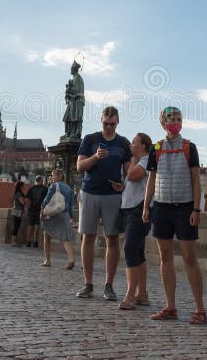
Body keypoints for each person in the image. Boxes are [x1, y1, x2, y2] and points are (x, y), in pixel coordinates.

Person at [142, 107, 205, 324]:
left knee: (189, 257)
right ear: (163, 123)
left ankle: (200, 308)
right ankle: (170, 306)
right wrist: (146, 205)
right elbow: (151, 178)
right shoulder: (156, 147)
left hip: (184, 207)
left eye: (178, 118)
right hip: (161, 206)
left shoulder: (189, 146)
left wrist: (197, 208)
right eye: (171, 119)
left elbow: (196, 179)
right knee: (165, 257)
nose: (175, 122)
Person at [75, 106, 131, 301]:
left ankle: (109, 285)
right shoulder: (90, 139)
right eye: (106, 124)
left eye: (112, 124)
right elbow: (80, 167)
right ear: (101, 121)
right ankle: (88, 283)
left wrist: (123, 185)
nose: (108, 127)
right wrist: (96, 156)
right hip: (89, 192)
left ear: (117, 122)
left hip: (112, 196)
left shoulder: (123, 143)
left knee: (112, 239)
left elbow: (129, 173)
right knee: (87, 238)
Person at [117, 133, 152, 310]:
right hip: (131, 208)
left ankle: (130, 295)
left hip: (139, 209)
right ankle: (142, 294)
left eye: (134, 143)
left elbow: (132, 175)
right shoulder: (140, 162)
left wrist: (132, 162)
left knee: (130, 249)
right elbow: (130, 182)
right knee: (138, 252)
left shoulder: (144, 161)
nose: (131, 145)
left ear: (143, 146)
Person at [39, 169, 75, 270]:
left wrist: (41, 211)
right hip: (65, 214)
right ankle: (71, 259)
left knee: (47, 235)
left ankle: (48, 260)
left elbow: (46, 199)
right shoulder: (69, 188)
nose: (52, 177)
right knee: (65, 238)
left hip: (53, 214)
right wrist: (71, 217)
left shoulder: (54, 186)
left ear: (59, 176)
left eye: (53, 175)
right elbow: (71, 205)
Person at [25, 176, 48, 248]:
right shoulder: (45, 189)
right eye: (42, 180)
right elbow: (46, 200)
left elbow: (27, 200)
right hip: (40, 210)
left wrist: (27, 209)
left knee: (30, 226)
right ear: (41, 181)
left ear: (35, 181)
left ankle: (28, 242)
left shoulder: (31, 189)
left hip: (31, 209)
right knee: (37, 226)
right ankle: (35, 242)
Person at [11, 181, 27, 247]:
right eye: (23, 186)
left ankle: (15, 241)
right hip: (18, 211)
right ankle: (13, 242)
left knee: (16, 225)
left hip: (16, 210)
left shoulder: (16, 192)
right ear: (20, 186)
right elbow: (22, 202)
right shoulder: (18, 193)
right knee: (16, 226)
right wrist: (26, 200)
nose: (24, 187)